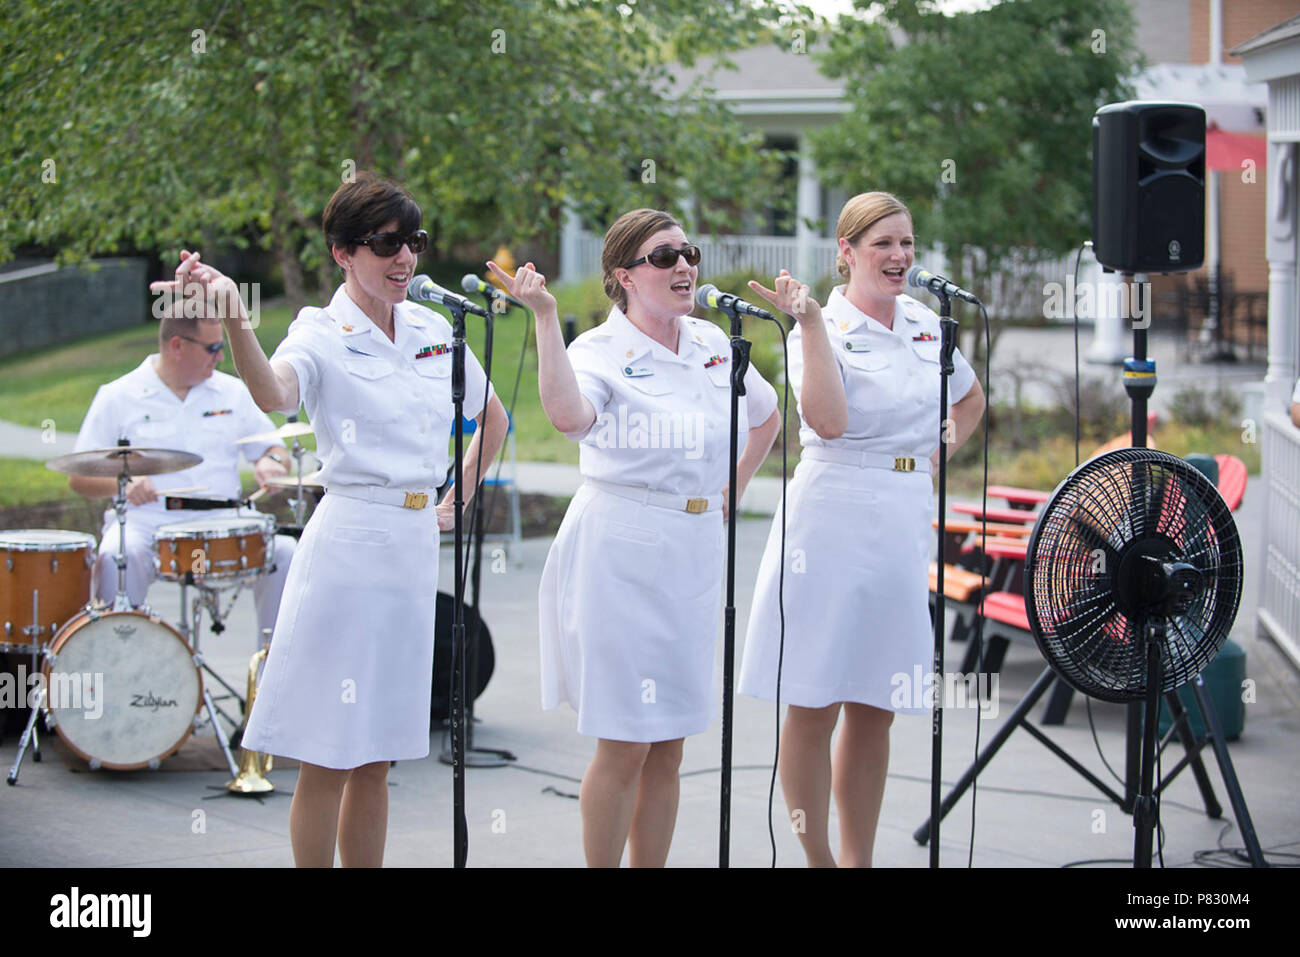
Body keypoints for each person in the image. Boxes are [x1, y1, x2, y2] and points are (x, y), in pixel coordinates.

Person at [153, 174, 509, 867]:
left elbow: (492, 419)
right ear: (344, 253)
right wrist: (234, 314)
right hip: (348, 545)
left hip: (410, 548)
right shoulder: (321, 330)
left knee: (378, 755)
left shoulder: (436, 328)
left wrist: (456, 494)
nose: (405, 257)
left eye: (415, 241)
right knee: (327, 754)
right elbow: (274, 392)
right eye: (386, 244)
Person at [488, 209, 781, 867]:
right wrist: (541, 317)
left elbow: (766, 418)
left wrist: (733, 487)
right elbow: (568, 418)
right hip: (621, 551)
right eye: (662, 257)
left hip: (693, 551)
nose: (683, 266)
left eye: (688, 253)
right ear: (623, 275)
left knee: (671, 738)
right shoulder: (597, 349)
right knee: (625, 739)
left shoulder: (711, 340)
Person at [738, 191, 987, 867]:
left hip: (903, 516)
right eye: (883, 243)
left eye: (907, 243)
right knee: (814, 698)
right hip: (831, 515)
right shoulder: (819, 326)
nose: (900, 256)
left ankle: (858, 859)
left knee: (877, 701)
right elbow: (828, 419)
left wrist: (942, 444)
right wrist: (814, 324)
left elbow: (969, 397)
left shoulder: (928, 322)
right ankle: (817, 857)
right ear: (846, 252)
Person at [69, 309, 296, 643]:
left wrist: (270, 463)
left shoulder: (232, 392)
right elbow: (78, 477)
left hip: (221, 520)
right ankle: (120, 663)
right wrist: (123, 483)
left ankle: (270, 672)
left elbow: (276, 449)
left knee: (285, 552)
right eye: (213, 348)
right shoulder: (118, 395)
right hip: (149, 522)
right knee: (116, 553)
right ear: (177, 345)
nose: (220, 358)